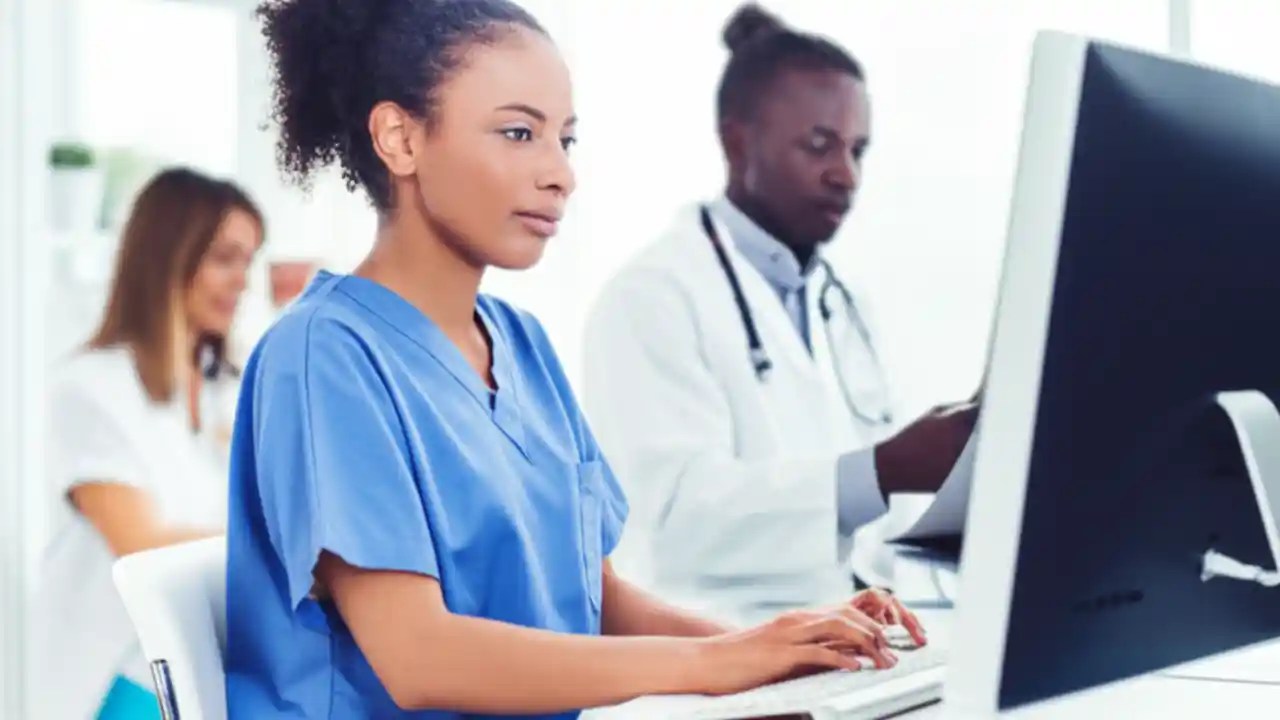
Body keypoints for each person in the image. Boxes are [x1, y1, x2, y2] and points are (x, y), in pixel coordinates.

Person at [224, 1, 926, 718]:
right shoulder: (323, 356)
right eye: (519, 132)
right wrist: (720, 661)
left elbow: (601, 600)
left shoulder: (521, 344)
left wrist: (792, 655)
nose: (561, 174)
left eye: (566, 139)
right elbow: (418, 657)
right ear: (400, 139)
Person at [581, 4, 978, 626]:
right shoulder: (653, 297)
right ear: (738, 141)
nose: (846, 174)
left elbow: (878, 529)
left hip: (850, 636)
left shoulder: (845, 305)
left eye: (858, 150)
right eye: (820, 145)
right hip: (712, 649)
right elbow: (674, 519)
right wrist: (882, 470)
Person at [31, 167, 263, 719]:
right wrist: (274, 545)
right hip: (114, 680)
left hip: (190, 672)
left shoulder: (223, 392)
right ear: (168, 258)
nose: (242, 281)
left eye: (248, 262)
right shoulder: (90, 387)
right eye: (224, 259)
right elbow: (142, 545)